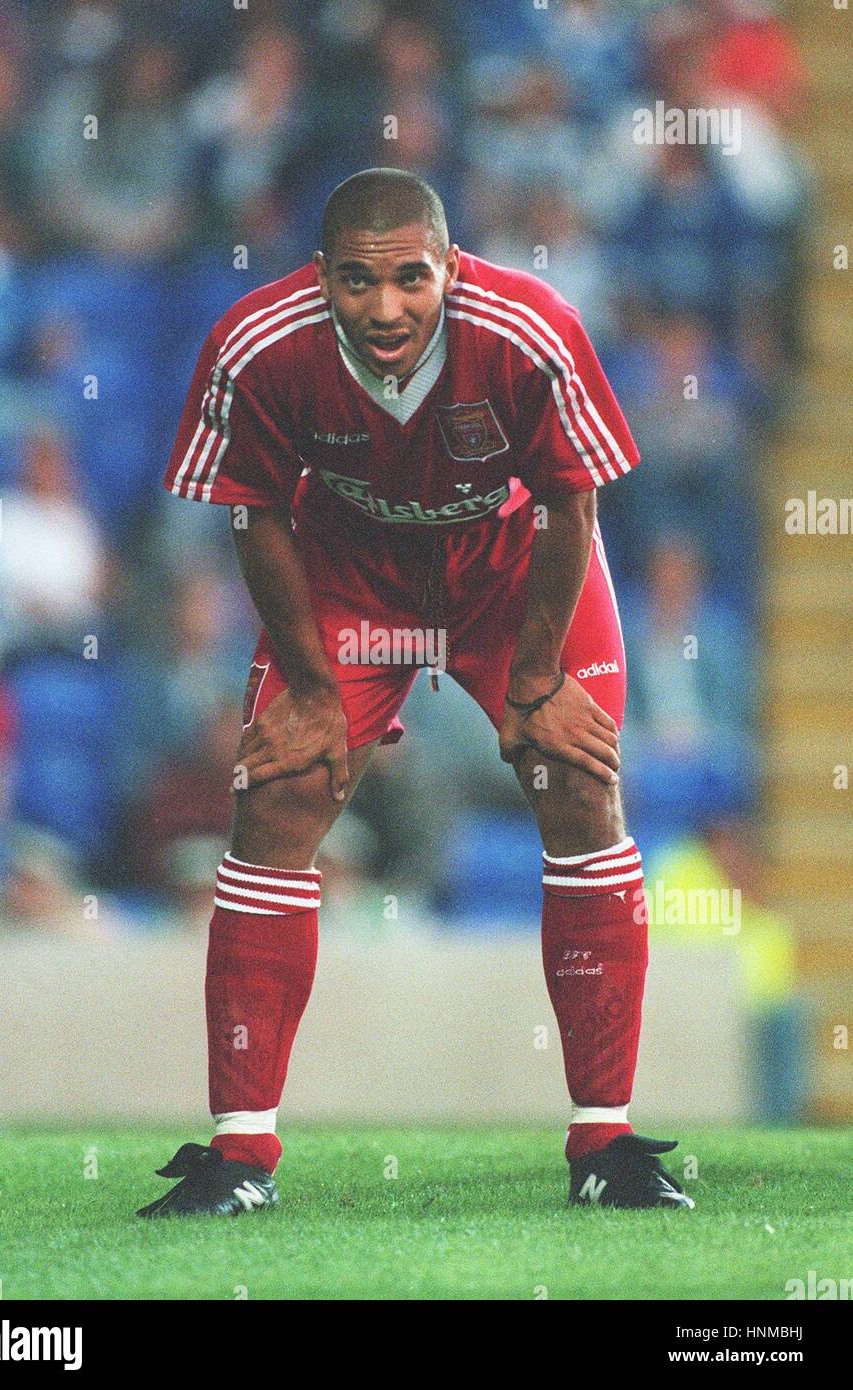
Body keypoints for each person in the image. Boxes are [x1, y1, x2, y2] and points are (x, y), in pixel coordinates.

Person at [137, 168, 693, 1218]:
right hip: (346, 569)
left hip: (512, 566)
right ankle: (240, 1155)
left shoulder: (530, 328)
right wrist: (305, 684)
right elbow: (252, 516)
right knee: (277, 798)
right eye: (356, 281)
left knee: (577, 781)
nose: (383, 308)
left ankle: (605, 1142)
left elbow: (571, 507)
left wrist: (534, 679)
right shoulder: (258, 344)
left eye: (408, 279)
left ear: (449, 267)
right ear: (320, 277)